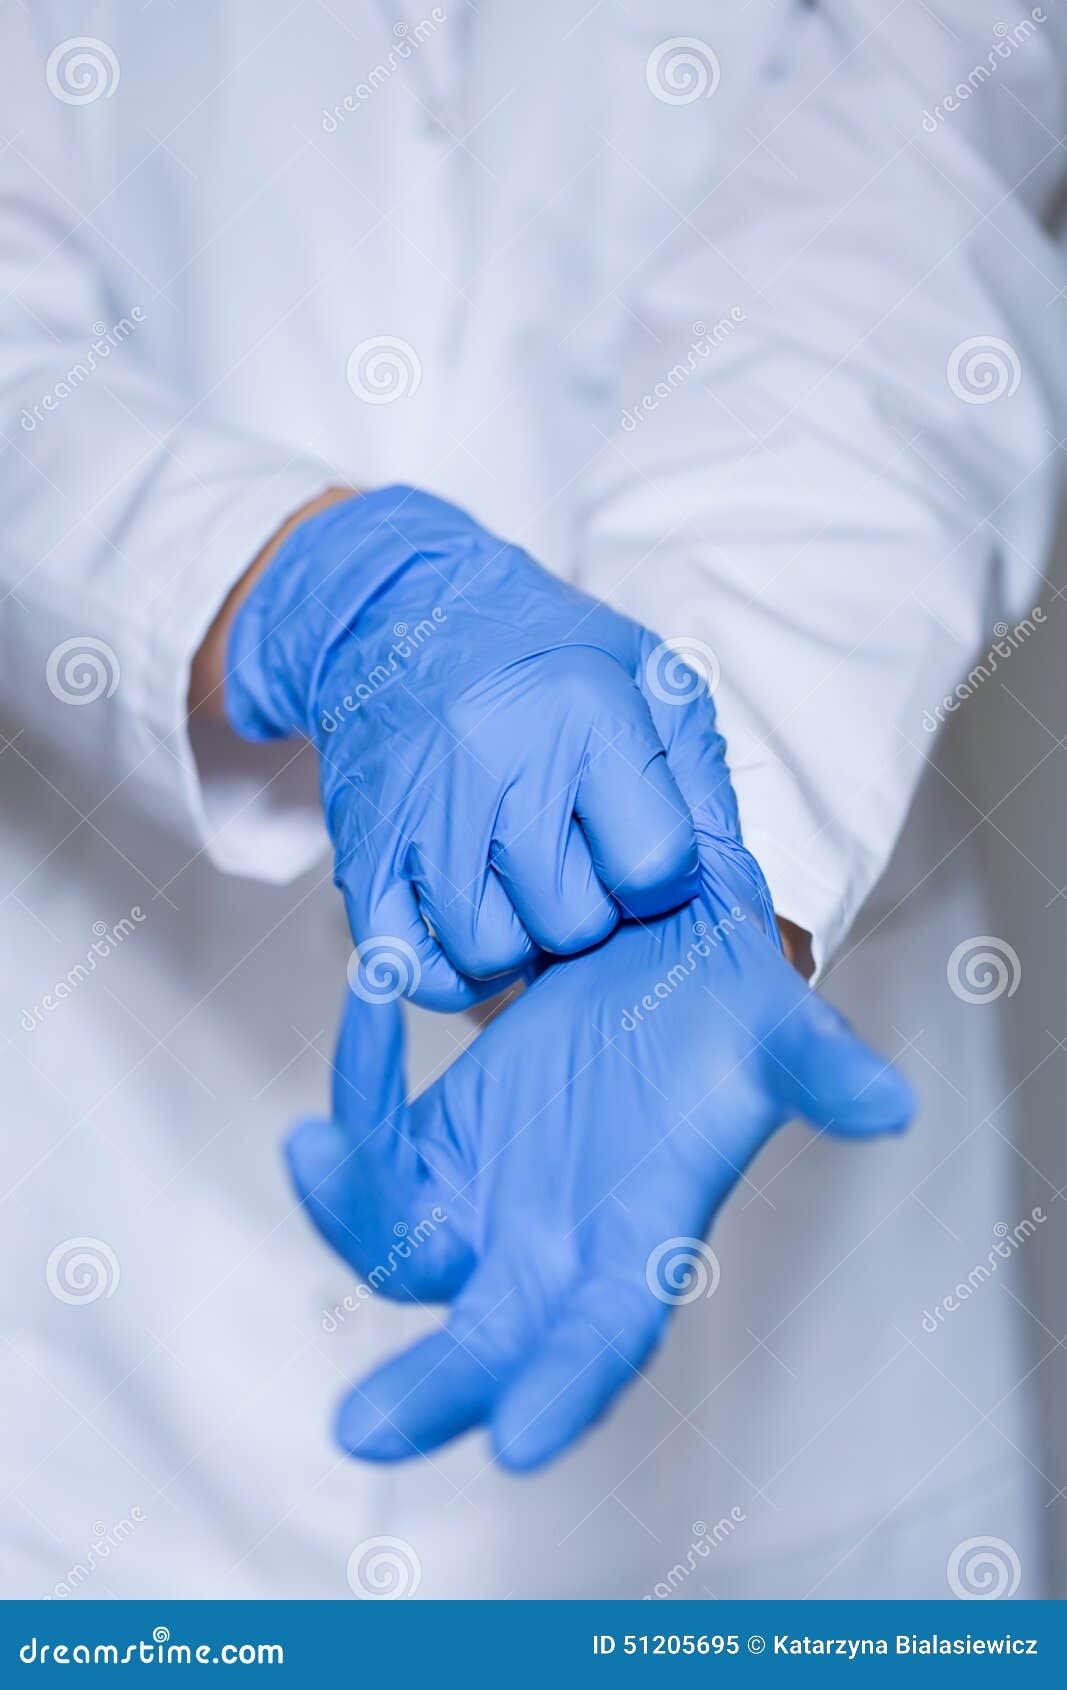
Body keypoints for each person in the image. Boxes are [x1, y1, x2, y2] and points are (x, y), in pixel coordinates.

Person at [1, 0, 1064, 1600]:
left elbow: (907, 176)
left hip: (781, 1409)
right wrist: (292, 582)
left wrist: (713, 811)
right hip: (104, 1342)